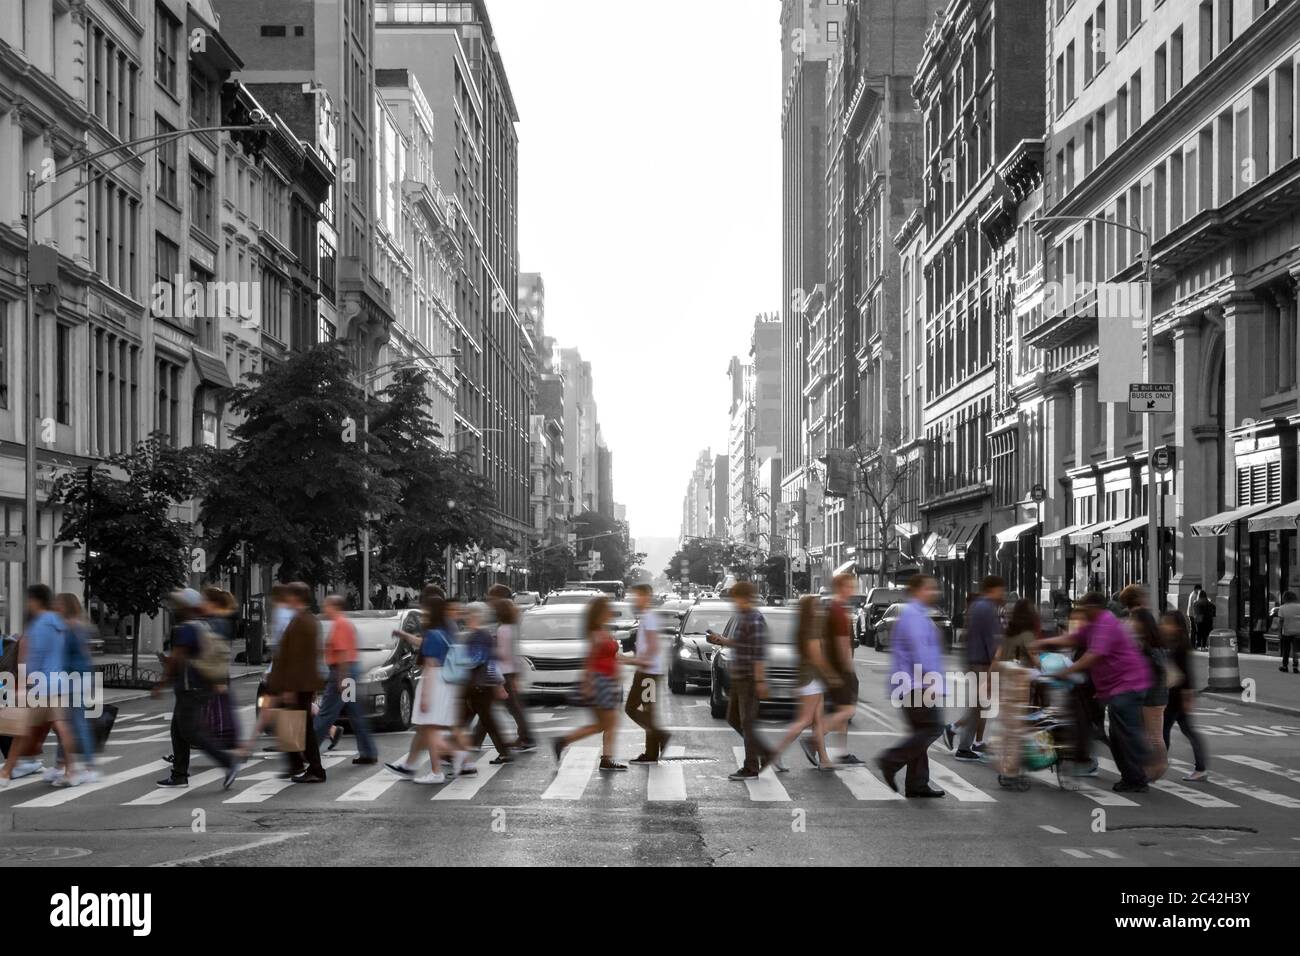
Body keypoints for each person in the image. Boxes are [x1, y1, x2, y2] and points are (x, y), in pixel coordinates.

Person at [1050, 592, 1152, 792]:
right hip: (1117, 687)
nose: (1081, 612)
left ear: (1095, 608)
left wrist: (1066, 671)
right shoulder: (1094, 624)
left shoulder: (1105, 622)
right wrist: (1043, 643)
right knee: (1117, 734)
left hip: (1128, 685)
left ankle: (1142, 768)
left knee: (1125, 733)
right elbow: (1073, 639)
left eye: (1085, 608)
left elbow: (1094, 655)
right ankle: (1133, 777)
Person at [152, 589, 239, 790]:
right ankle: (179, 775)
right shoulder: (202, 625)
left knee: (190, 731)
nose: (173, 608)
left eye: (177, 604)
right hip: (197, 685)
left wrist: (162, 683)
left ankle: (227, 761)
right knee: (178, 731)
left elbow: (177, 658)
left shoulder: (187, 628)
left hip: (191, 687)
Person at [0, 586, 80, 789]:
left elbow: (32, 657)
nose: (27, 604)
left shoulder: (38, 625)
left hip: (39, 684)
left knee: (20, 730)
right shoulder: (59, 624)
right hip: (57, 681)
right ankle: (71, 772)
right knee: (61, 728)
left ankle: (6, 772)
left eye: (29, 600)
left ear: (36, 601)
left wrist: (22, 685)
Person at [874, 574, 946, 798]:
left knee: (920, 732)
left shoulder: (916, 615)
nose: (934, 593)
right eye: (929, 589)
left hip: (912, 684)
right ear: (916, 591)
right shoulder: (914, 616)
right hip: (916, 685)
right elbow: (920, 654)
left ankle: (917, 783)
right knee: (932, 728)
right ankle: (891, 761)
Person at [388, 595, 470, 783]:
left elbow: (431, 665)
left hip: (434, 682)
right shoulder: (445, 631)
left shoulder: (433, 633)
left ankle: (444, 765)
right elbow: (422, 643)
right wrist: (404, 635)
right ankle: (423, 766)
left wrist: (425, 696)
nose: (423, 614)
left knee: (431, 729)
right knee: (428, 728)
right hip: (446, 682)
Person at [706, 582, 776, 781]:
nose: (733, 603)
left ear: (744, 598)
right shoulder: (744, 617)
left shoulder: (754, 619)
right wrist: (721, 640)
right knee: (733, 719)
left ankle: (751, 767)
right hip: (739, 676)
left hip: (749, 678)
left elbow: (759, 652)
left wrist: (760, 681)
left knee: (747, 722)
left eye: (735, 598)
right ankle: (764, 752)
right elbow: (742, 643)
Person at [553, 597, 627, 772]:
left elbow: (611, 656)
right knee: (609, 723)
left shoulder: (602, 629)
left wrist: (633, 661)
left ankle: (564, 741)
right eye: (607, 609)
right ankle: (605, 759)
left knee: (603, 724)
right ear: (600, 612)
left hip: (607, 680)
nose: (611, 612)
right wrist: (588, 683)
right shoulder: (596, 633)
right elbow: (590, 660)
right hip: (601, 681)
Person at [263, 582, 326, 783]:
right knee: (294, 725)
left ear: (296, 597)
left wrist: (289, 688)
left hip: (298, 684)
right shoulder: (306, 620)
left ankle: (314, 769)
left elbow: (297, 658)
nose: (286, 599)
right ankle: (296, 764)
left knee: (301, 727)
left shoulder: (301, 622)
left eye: (289, 595)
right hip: (301, 683)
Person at [944, 575, 1005, 761]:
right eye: (1000, 589)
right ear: (992, 589)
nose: (1002, 593)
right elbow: (992, 641)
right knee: (979, 706)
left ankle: (963, 738)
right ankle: (961, 741)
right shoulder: (987, 608)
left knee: (980, 705)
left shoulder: (978, 606)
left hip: (975, 661)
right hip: (982, 664)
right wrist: (994, 666)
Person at [772, 595, 835, 771]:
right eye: (817, 606)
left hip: (810, 678)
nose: (820, 608)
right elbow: (816, 656)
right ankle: (775, 753)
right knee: (805, 720)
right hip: (811, 678)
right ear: (811, 609)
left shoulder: (804, 626)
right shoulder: (811, 629)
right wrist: (831, 675)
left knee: (818, 722)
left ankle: (824, 759)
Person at [315, 595, 378, 766]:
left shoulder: (340, 624)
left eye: (326, 604)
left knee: (326, 714)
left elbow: (342, 653)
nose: (323, 606)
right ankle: (368, 752)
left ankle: (309, 750)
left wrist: (342, 679)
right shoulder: (343, 623)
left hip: (342, 673)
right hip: (347, 672)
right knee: (355, 714)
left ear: (335, 606)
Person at [1120, 584, 1169, 781]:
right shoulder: (1147, 630)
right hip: (1152, 691)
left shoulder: (1139, 632)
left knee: (1153, 735)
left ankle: (1158, 768)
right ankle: (1150, 767)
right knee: (1148, 733)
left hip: (1152, 692)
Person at [460, 603, 513, 765]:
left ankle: (504, 752)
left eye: (468, 615)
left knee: (479, 720)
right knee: (469, 720)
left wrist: (457, 661)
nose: (465, 618)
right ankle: (451, 751)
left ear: (475, 617)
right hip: (481, 685)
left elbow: (477, 660)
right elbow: (493, 662)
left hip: (478, 686)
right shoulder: (485, 635)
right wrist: (499, 683)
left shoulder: (478, 636)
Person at [993, 598, 1040, 781]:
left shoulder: (1007, 635)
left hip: (1005, 681)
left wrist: (988, 682)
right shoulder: (1027, 636)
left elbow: (997, 659)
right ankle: (1011, 769)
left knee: (1008, 726)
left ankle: (1005, 764)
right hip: (1020, 682)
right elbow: (1035, 660)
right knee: (1016, 729)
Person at [54, 594, 99, 784]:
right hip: (79, 677)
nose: (56, 607)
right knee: (67, 723)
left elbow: (65, 657)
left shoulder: (70, 627)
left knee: (72, 722)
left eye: (59, 604)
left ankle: (87, 766)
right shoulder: (78, 625)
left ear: (67, 606)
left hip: (73, 678)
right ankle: (61, 764)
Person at [1160, 609, 1209, 782]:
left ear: (1178, 627)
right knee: (1187, 731)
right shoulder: (1174, 643)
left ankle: (1160, 763)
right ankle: (1200, 768)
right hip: (1176, 695)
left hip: (1176, 696)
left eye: (1168, 623)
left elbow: (1187, 674)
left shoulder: (1180, 646)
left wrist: (1188, 696)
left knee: (1164, 730)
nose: (1164, 626)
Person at [820, 573, 862, 766]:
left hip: (836, 668)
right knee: (847, 710)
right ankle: (815, 738)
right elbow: (841, 643)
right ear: (841, 587)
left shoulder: (837, 608)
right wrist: (847, 670)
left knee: (843, 709)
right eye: (850, 586)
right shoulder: (838, 610)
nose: (853, 589)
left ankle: (842, 753)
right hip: (841, 669)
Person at [486, 586, 534, 752]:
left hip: (504, 672)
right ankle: (525, 737)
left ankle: (526, 737)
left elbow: (504, 653)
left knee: (511, 707)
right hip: (509, 670)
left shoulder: (503, 630)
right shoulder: (510, 627)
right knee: (509, 707)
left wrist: (490, 650)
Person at [625, 583, 669, 764]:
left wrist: (632, 660)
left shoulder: (649, 618)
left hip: (648, 672)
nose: (634, 599)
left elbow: (653, 646)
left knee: (632, 709)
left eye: (636, 596)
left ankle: (660, 737)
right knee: (647, 712)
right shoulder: (646, 617)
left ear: (645, 596)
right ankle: (651, 753)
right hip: (645, 671)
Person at [1276, 591, 1300, 674]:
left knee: (1286, 649)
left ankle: (1285, 666)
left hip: (1287, 632)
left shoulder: (1282, 608)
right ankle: (1295, 666)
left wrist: (1279, 632)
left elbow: (1281, 621)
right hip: (1298, 631)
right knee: (1296, 650)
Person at [1191, 586, 1216, 651]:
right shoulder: (1209, 603)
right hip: (1208, 620)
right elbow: (1213, 610)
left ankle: (1199, 646)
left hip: (1199, 620)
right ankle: (1204, 646)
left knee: (1199, 633)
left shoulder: (1196, 603)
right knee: (1206, 633)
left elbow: (1194, 611)